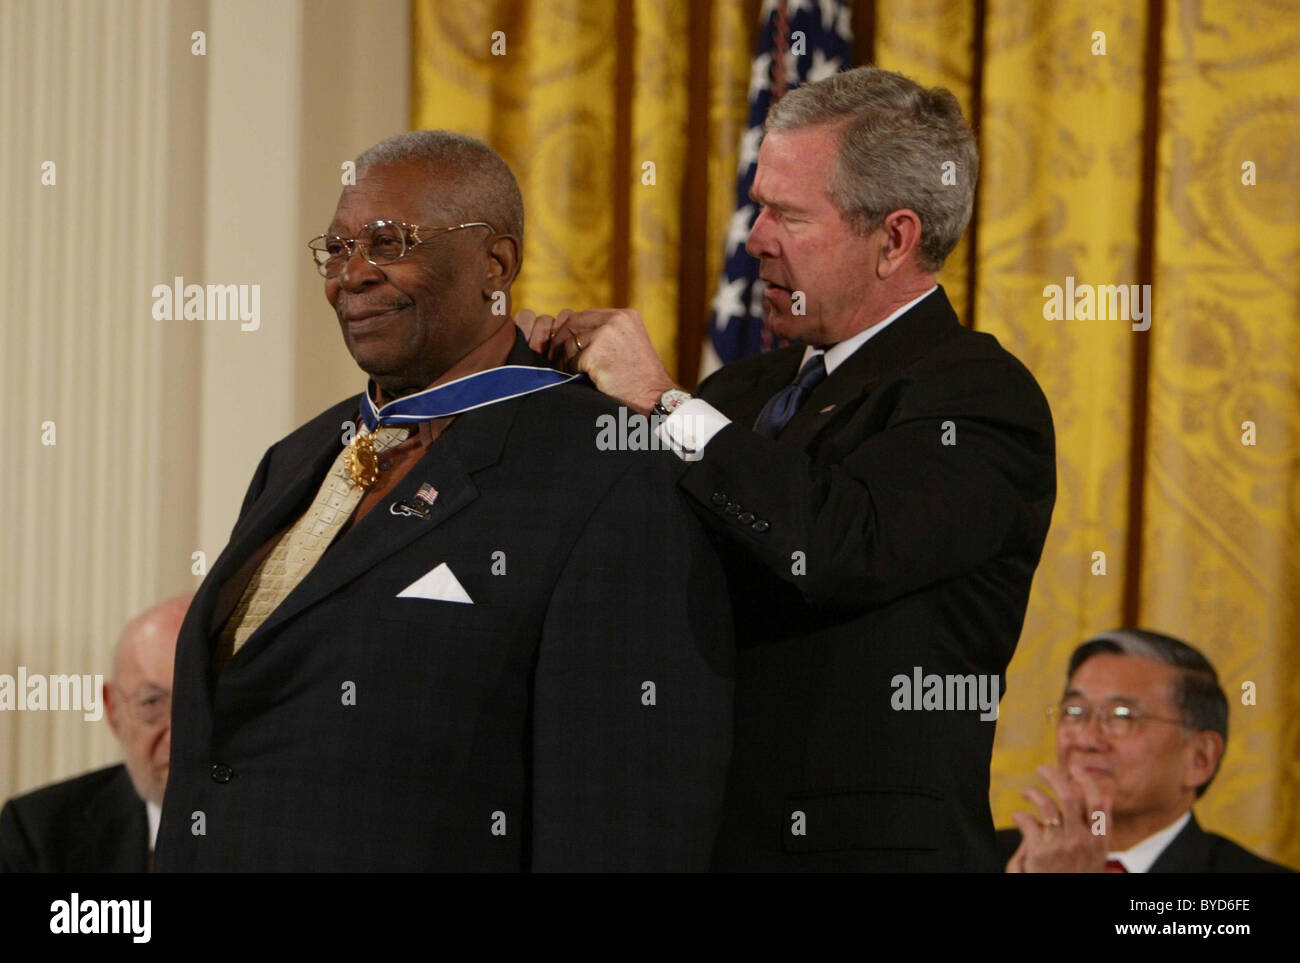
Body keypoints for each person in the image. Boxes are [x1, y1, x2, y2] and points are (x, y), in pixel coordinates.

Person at [519, 66, 1056, 870]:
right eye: (759, 204)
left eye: (787, 213)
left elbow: (841, 544)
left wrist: (664, 403)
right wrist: (553, 395)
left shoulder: (979, 394)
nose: (755, 238)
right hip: (696, 836)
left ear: (895, 239)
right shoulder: (742, 388)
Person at [154, 131, 733, 872]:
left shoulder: (609, 468)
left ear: (495, 263)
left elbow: (624, 813)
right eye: (336, 248)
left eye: (390, 242)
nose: (351, 275)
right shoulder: (294, 459)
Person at [1000, 628, 1293, 873]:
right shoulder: (980, 857)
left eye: (1122, 716)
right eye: (1075, 712)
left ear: (1200, 759)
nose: (1087, 739)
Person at [0, 595, 189, 872]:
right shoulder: (36, 834)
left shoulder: (271, 825)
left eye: (199, 704)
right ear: (113, 710)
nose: (178, 736)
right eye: (152, 703)